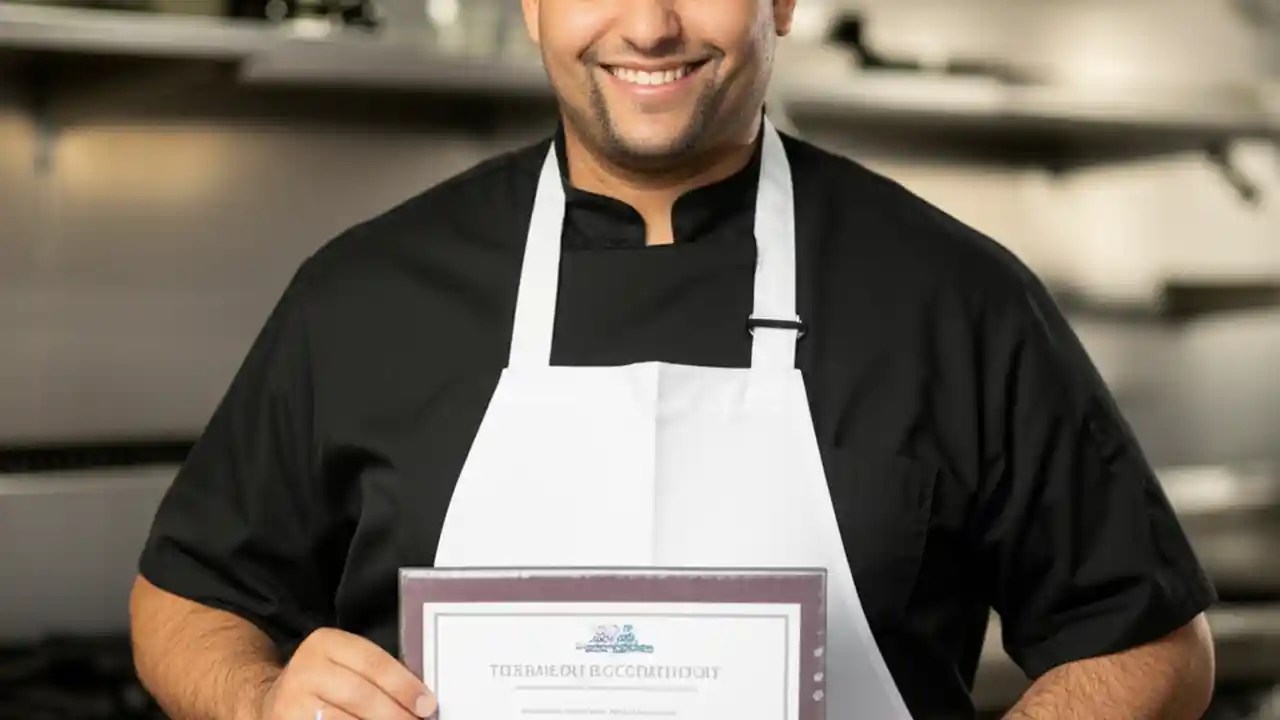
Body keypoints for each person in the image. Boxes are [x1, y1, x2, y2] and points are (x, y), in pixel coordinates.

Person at [128, 1, 1218, 718]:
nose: (648, 25)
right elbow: (186, 601)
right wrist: (260, 704)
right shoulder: (362, 296)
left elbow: (1148, 648)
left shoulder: (958, 300)